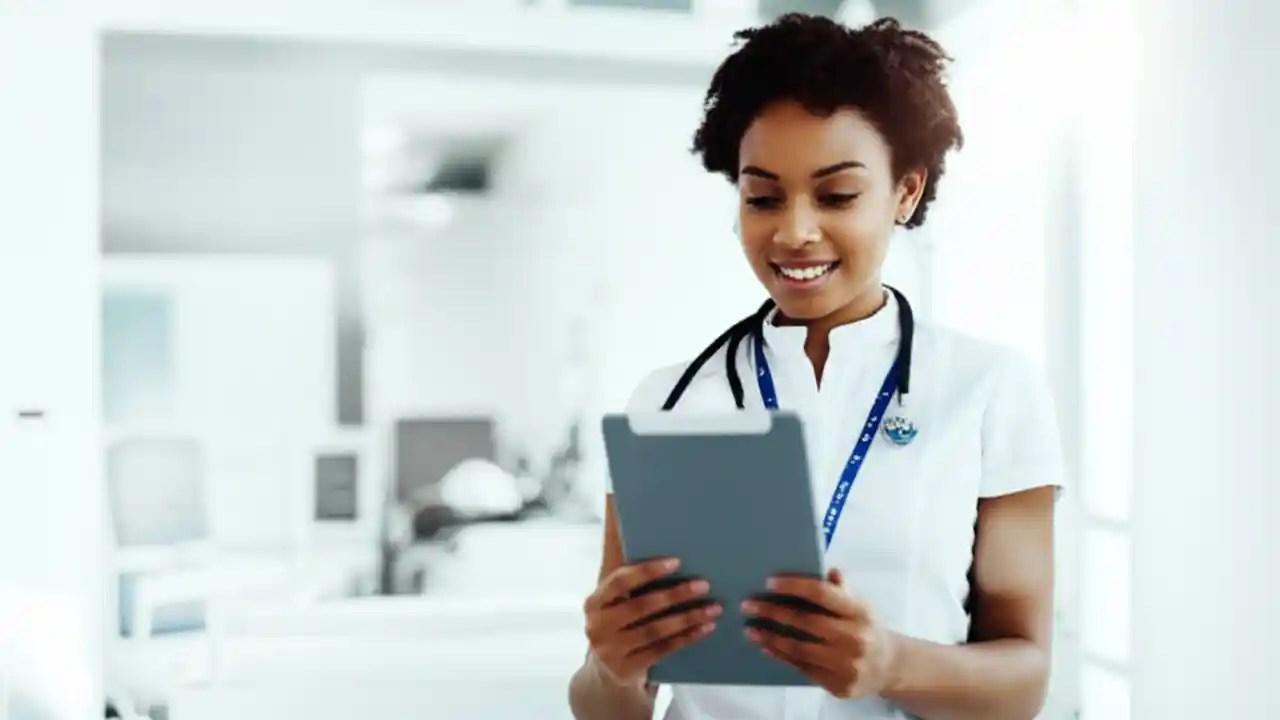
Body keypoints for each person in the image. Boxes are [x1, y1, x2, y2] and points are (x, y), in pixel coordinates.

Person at [568, 12, 1063, 720]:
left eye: (837, 195)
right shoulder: (669, 401)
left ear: (906, 192)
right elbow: (602, 704)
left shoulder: (988, 389)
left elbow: (1024, 685)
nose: (795, 231)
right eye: (763, 197)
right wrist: (614, 670)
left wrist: (891, 662)